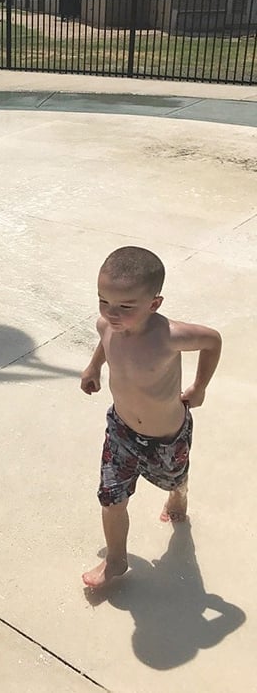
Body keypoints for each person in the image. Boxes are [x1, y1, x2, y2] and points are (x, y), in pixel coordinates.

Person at [80, 246, 222, 589]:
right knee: (111, 499)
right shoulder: (107, 325)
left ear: (154, 304)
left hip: (166, 437)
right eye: (104, 301)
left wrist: (199, 387)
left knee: (173, 478)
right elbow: (104, 337)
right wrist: (94, 366)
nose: (111, 313)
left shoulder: (170, 336)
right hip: (120, 431)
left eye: (125, 306)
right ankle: (116, 560)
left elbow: (213, 341)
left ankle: (178, 493)